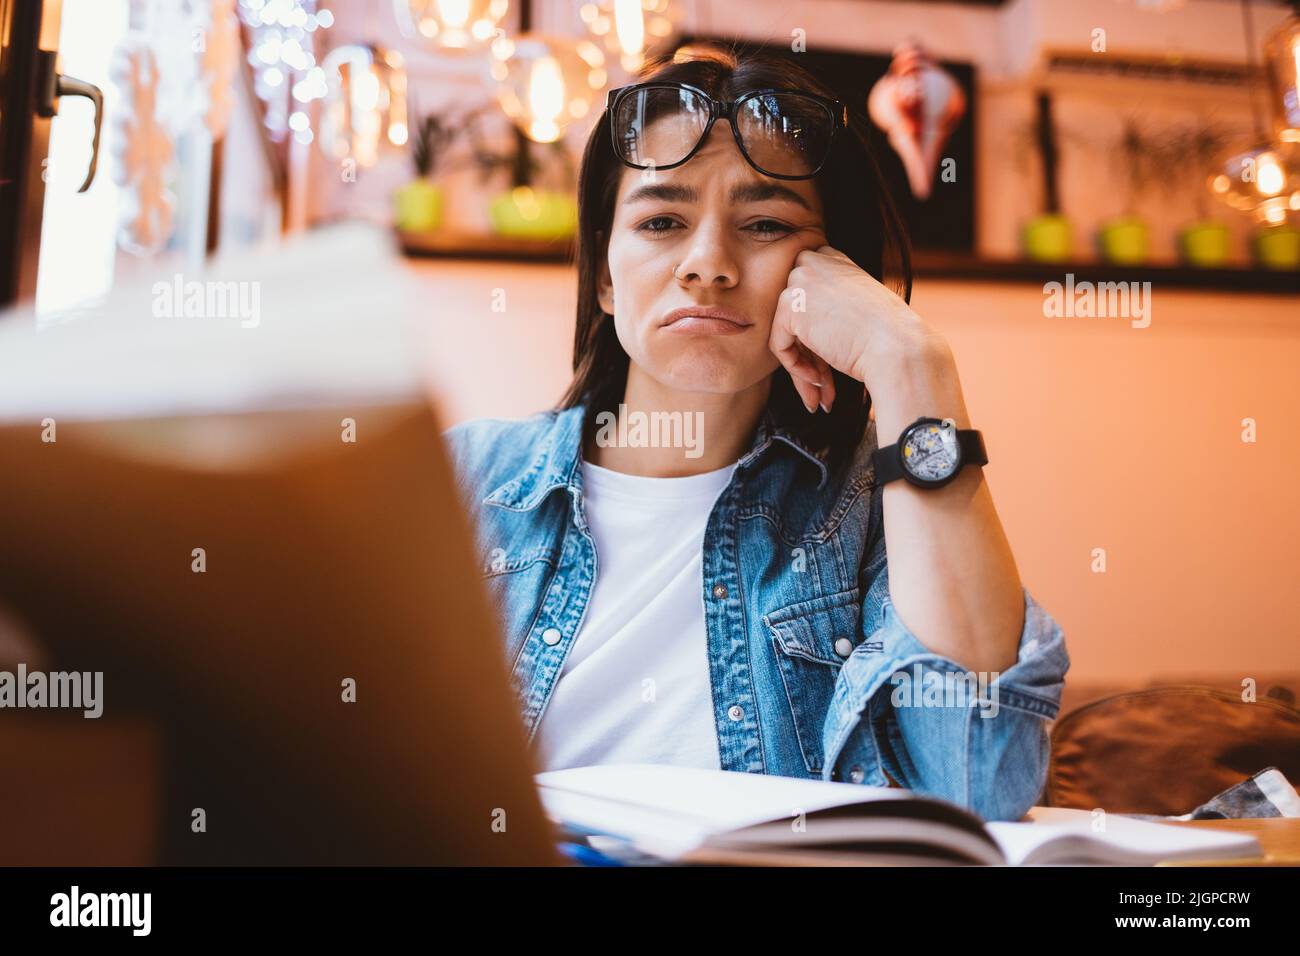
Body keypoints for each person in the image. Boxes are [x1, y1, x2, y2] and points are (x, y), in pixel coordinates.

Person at [444, 44, 1069, 821]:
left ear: (833, 272)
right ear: (605, 275)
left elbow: (979, 783)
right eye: (662, 220)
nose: (708, 264)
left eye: (766, 223)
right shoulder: (464, 482)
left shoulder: (878, 510)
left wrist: (913, 365)